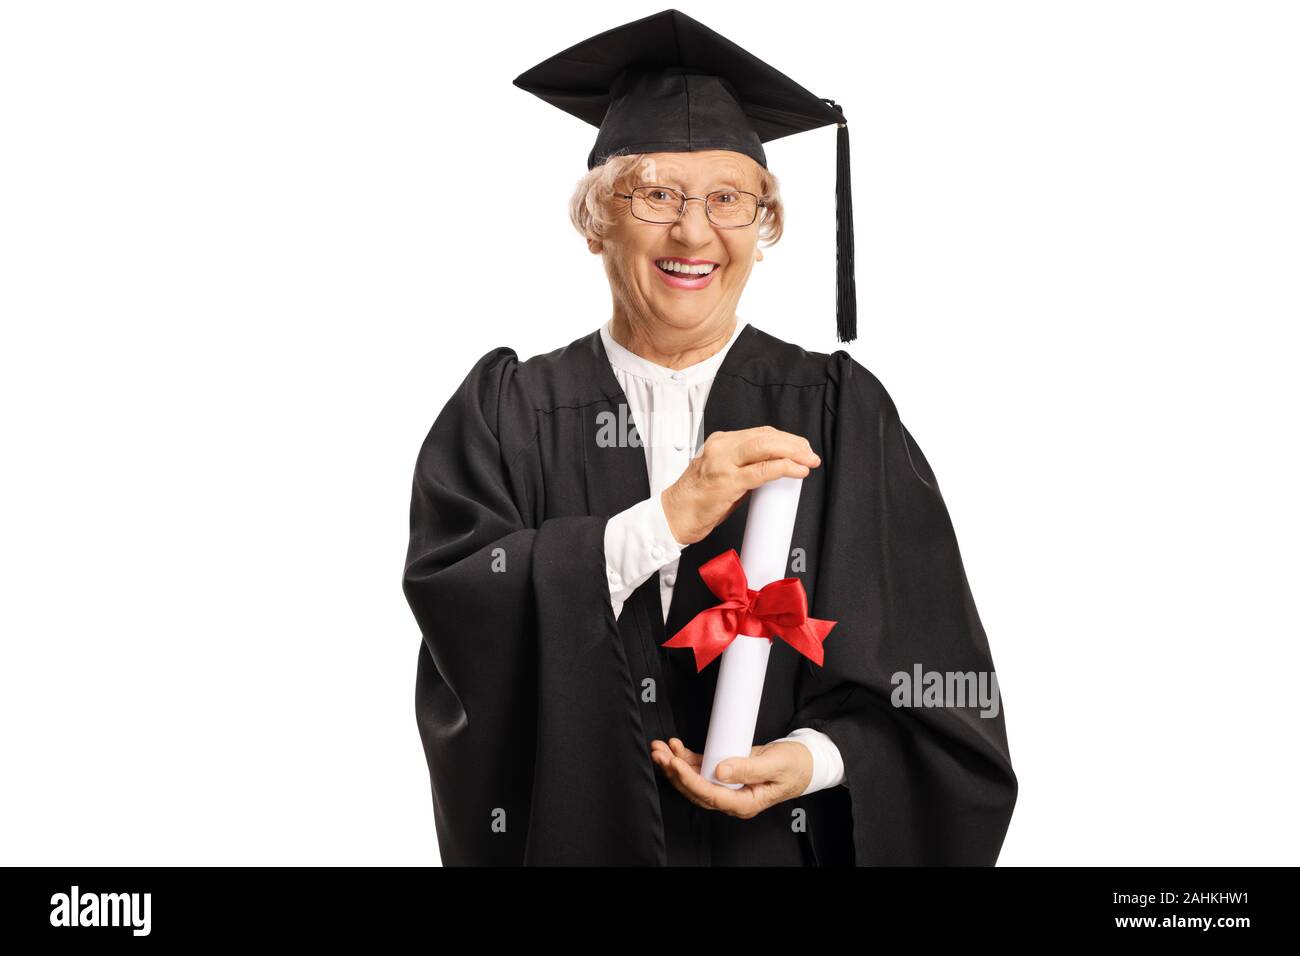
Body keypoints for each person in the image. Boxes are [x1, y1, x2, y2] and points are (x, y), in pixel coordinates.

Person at [402, 8, 1017, 865]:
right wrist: (660, 524)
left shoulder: (839, 409)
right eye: (654, 193)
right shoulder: (508, 410)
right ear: (594, 222)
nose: (694, 232)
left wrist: (811, 763)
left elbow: (941, 689)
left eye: (729, 199)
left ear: (762, 231)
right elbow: (460, 618)